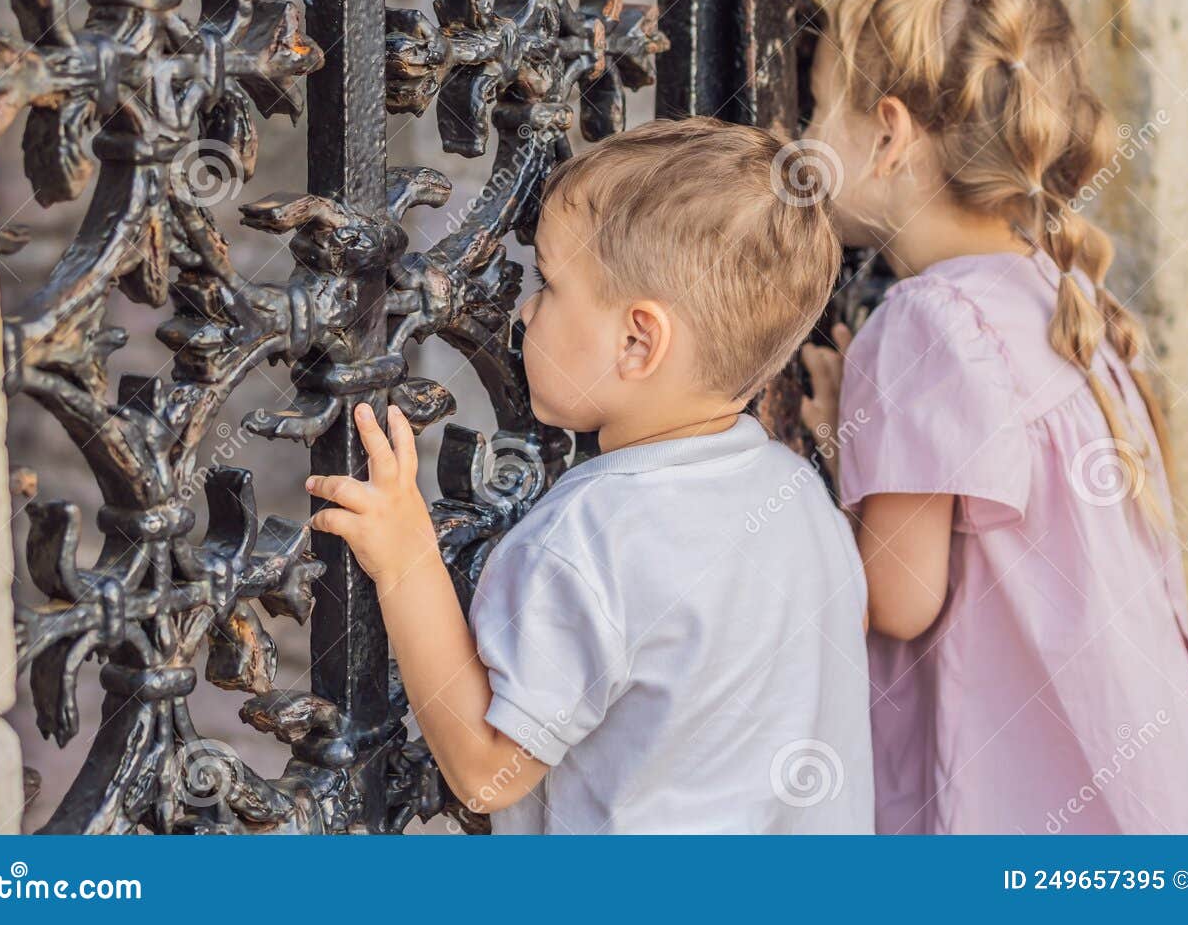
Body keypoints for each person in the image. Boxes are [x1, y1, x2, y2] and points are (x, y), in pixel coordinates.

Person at [799, 0, 1188, 834]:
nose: (800, 139)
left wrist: (836, 452)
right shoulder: (1060, 294)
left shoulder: (924, 325)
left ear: (891, 135)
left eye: (819, 111)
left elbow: (899, 600)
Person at [308, 117, 874, 833]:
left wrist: (405, 556)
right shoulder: (801, 499)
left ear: (638, 340)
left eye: (549, 281)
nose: (523, 310)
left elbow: (488, 771)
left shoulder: (595, 534)